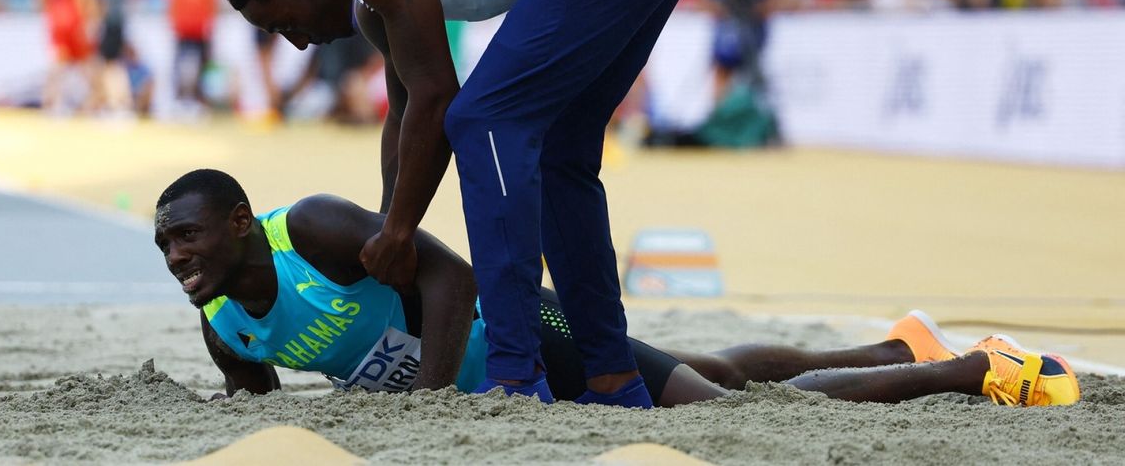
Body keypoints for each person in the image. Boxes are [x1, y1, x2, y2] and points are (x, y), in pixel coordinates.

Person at [222, 0, 707, 408]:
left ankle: (515, 376)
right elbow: (405, 114)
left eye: (285, 24)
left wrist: (400, 236)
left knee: (486, 119)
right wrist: (385, 227)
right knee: (557, 150)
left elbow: (437, 100)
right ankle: (612, 379)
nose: (299, 43)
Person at [154, 169, 1081, 408]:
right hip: (488, 402)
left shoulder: (310, 227)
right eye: (163, 248)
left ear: (239, 222)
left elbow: (453, 276)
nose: (176, 258)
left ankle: (971, 369)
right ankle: (897, 347)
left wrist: (433, 402)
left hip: (525, 338)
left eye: (186, 237)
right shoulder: (227, 328)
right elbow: (258, 416)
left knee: (719, 409)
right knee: (705, 365)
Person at [37, 0, 99, 114]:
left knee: (86, 67)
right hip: (62, 28)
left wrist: (89, 23)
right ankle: (52, 103)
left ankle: (94, 103)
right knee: (58, 67)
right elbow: (44, 0)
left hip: (75, 26)